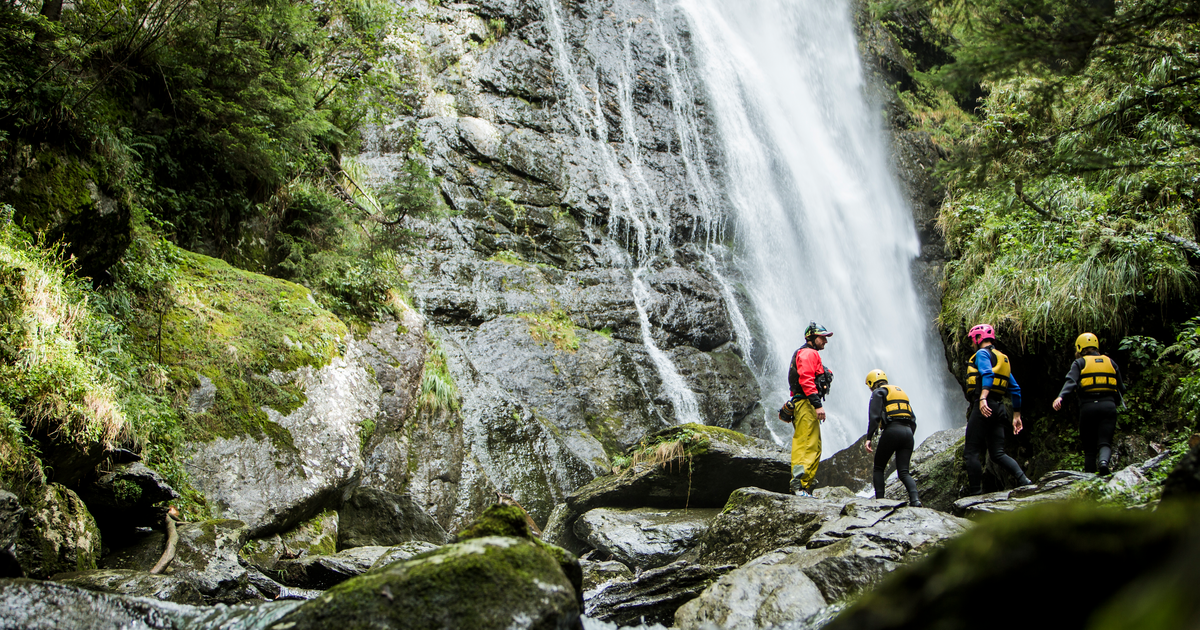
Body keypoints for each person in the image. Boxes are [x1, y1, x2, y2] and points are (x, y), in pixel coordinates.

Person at [963, 324, 1034, 495]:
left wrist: (982, 398)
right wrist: (1017, 415)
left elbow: (987, 374)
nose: (972, 344)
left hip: (984, 407)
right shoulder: (1002, 358)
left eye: (973, 340)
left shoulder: (981, 354)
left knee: (971, 452)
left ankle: (975, 494)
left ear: (978, 339)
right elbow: (1015, 388)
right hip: (999, 408)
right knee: (997, 453)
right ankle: (1024, 480)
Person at [1052, 333, 1125, 475]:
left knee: (1089, 449)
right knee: (1105, 442)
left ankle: (1089, 479)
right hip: (1108, 406)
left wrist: (1060, 397)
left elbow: (1071, 382)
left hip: (1088, 407)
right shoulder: (1110, 362)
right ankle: (1103, 463)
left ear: (1080, 348)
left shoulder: (1080, 363)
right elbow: (1121, 388)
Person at [780, 322, 834, 497]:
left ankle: (806, 483)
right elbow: (806, 380)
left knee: (815, 445)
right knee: (805, 443)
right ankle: (798, 484)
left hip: (806, 402)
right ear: (811, 337)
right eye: (822, 337)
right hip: (805, 403)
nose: (825, 341)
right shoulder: (808, 353)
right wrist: (818, 405)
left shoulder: (810, 353)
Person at [863, 369, 921, 507]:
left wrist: (869, 437)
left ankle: (880, 502)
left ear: (872, 383)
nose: (871, 390)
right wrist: (908, 436)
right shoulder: (900, 392)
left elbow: (874, 417)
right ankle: (915, 500)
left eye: (870, 386)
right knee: (904, 472)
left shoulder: (879, 392)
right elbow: (913, 419)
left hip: (892, 431)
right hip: (907, 433)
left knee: (878, 468)